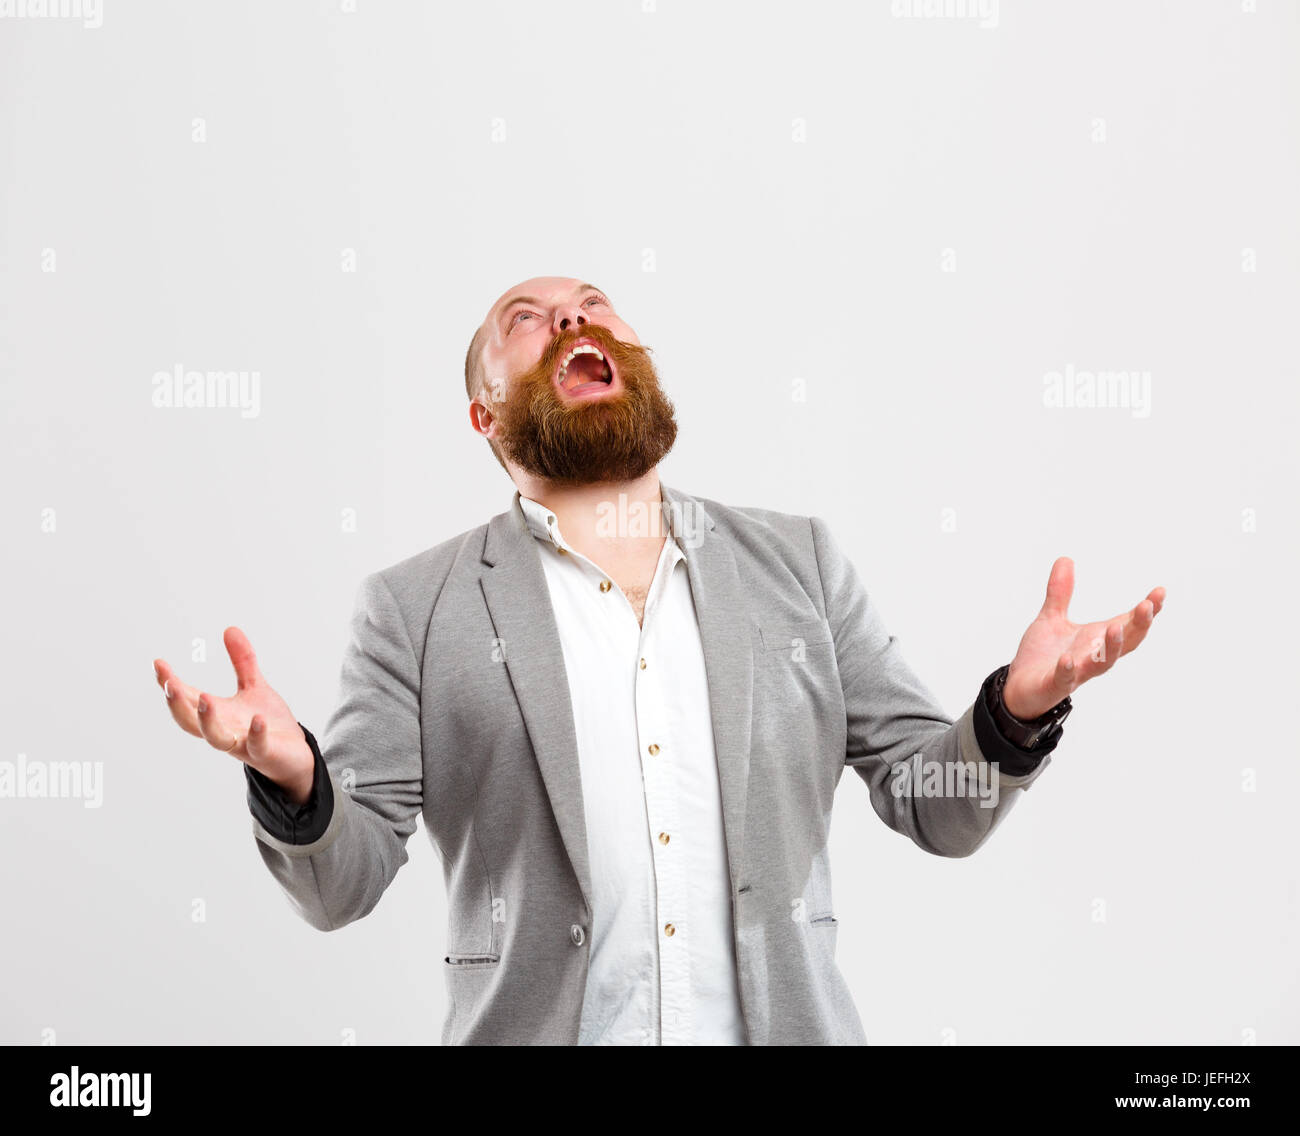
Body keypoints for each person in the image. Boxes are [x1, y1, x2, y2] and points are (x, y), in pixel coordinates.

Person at [152, 276, 1165, 1045]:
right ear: (486, 415)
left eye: (595, 306)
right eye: (526, 317)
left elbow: (932, 804)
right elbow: (342, 883)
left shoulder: (799, 562)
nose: (570, 319)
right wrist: (296, 782)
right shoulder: (411, 609)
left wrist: (1014, 713)